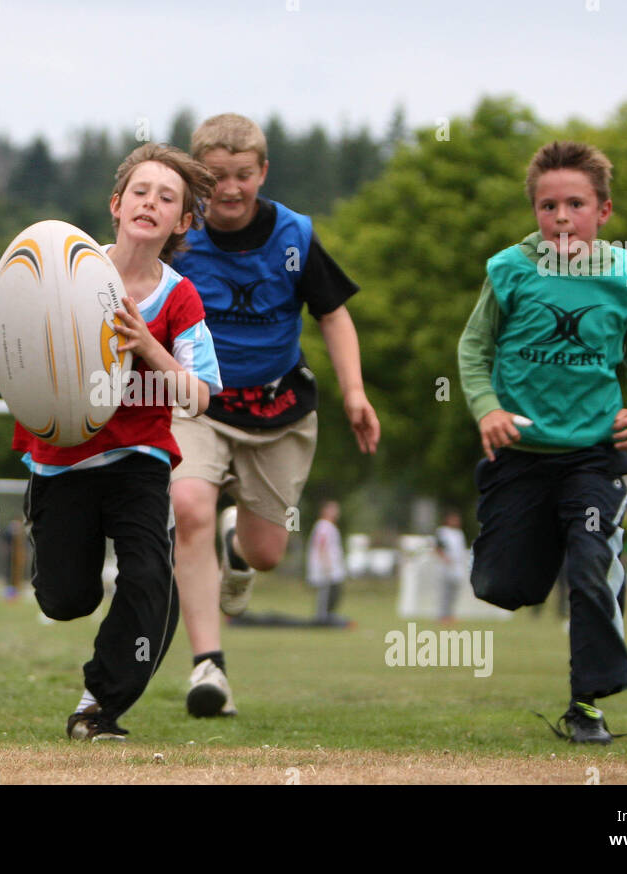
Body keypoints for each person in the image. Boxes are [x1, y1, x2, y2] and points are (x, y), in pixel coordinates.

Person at [0, 143, 221, 740]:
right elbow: (20, 353)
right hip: (61, 462)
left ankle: (97, 707)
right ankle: (61, 574)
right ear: (116, 204)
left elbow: (201, 395)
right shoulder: (63, 272)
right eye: (141, 191)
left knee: (147, 578)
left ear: (182, 222)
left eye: (168, 199)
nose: (151, 203)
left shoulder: (178, 297)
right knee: (65, 600)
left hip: (140, 460)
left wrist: (148, 346)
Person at [169, 113, 381, 718]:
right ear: (196, 180)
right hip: (198, 401)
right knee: (188, 509)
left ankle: (239, 549)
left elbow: (333, 313)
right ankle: (208, 666)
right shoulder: (179, 237)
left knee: (266, 553)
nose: (229, 189)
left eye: (242, 175)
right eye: (214, 178)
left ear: (263, 172)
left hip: (276, 407)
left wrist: (355, 392)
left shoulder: (295, 236)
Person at [458, 140, 627, 744]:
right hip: (519, 455)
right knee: (501, 585)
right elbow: (475, 349)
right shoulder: (509, 271)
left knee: (592, 565)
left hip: (592, 456)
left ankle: (587, 703)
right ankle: (548, 538)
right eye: (548, 207)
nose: (562, 218)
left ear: (604, 212)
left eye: (576, 204)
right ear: (535, 212)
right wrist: (488, 409)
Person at [305, 500, 347, 622]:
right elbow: (322, 544)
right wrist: (326, 563)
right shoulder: (324, 525)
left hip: (333, 566)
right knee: (325, 592)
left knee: (334, 590)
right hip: (326, 566)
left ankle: (328, 614)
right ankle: (322, 617)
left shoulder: (329, 526)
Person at [433, 509, 467, 624]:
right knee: (445, 593)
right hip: (445, 567)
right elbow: (437, 547)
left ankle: (450, 614)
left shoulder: (459, 534)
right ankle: (442, 616)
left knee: (454, 592)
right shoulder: (442, 532)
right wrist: (444, 558)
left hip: (457, 567)